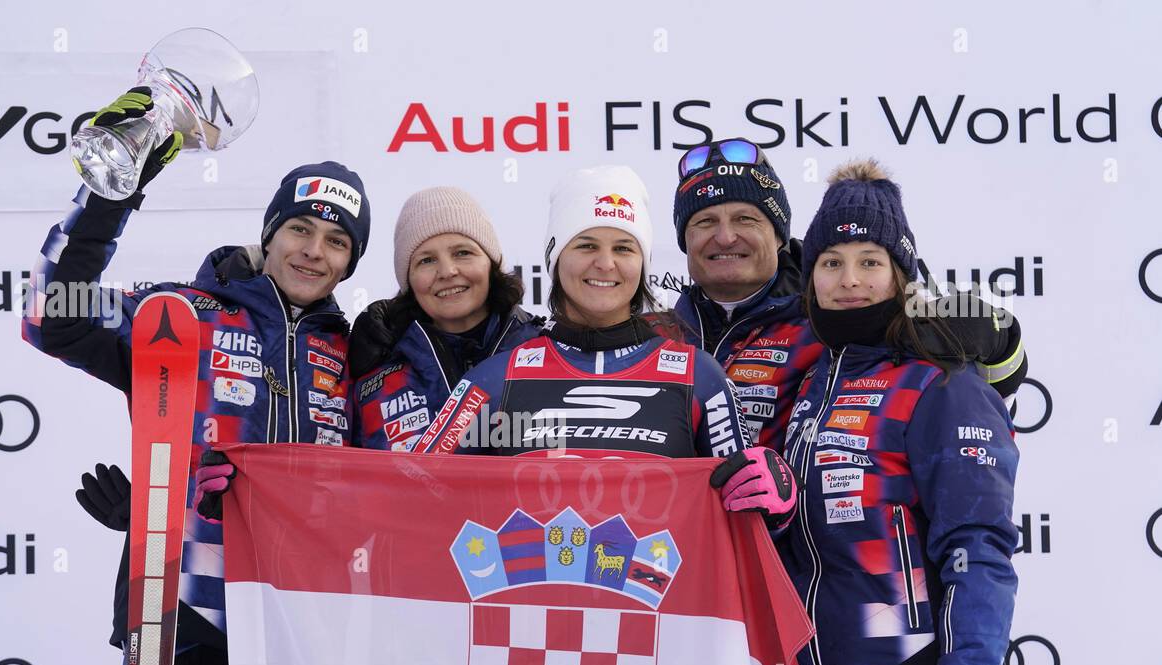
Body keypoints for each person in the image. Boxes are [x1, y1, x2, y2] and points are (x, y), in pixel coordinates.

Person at [22, 86, 372, 665]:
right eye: (299, 229)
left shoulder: (357, 357)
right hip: (184, 629)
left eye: (336, 241)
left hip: (303, 636)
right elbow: (54, 315)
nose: (314, 251)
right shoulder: (186, 313)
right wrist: (110, 195)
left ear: (352, 261)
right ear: (269, 233)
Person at [774, 159, 1018, 665]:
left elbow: (979, 551)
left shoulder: (943, 382)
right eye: (832, 262)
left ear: (901, 273)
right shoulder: (811, 384)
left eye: (870, 261)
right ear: (810, 276)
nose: (850, 279)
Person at [411, 165, 794, 528]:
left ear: (642, 264)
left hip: (663, 593)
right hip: (529, 591)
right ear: (555, 260)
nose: (606, 264)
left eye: (624, 248)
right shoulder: (497, 379)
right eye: (586, 245)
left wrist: (778, 506)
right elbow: (413, 498)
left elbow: (749, 523)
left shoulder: (700, 377)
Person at [666, 138, 1029, 453]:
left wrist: (997, 342)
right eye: (705, 222)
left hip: (802, 532)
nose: (726, 237)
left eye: (746, 219)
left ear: (779, 235)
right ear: (685, 240)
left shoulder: (835, 318)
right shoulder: (658, 337)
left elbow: (972, 425)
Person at [349, 187, 542, 451]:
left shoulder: (544, 353)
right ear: (409, 281)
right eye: (426, 260)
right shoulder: (374, 373)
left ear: (491, 263)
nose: (447, 272)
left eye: (463, 253)